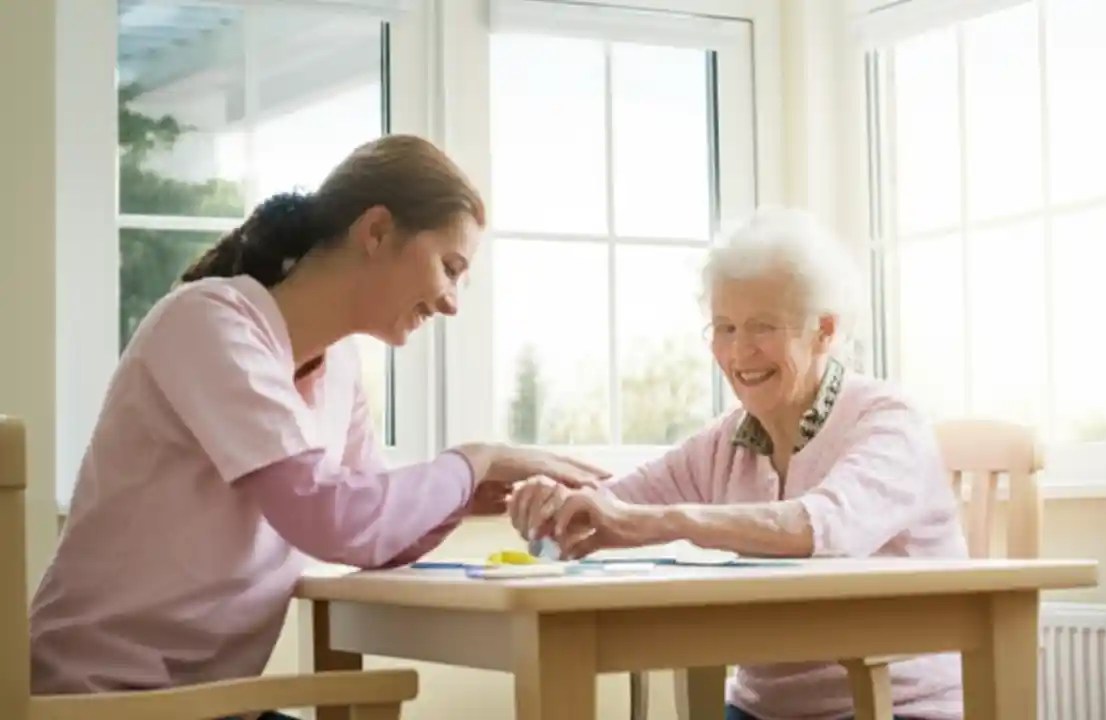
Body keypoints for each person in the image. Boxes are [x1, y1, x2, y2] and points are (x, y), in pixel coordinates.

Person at [29, 134, 603, 706]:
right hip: (100, 702)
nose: (453, 301)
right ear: (376, 231)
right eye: (449, 268)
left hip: (210, 706)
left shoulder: (340, 366)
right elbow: (331, 516)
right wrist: (473, 461)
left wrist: (460, 496)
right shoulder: (208, 323)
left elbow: (369, 535)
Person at [508, 208, 967, 720]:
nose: (739, 351)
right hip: (761, 711)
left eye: (762, 327)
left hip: (896, 706)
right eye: (724, 327)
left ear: (825, 330)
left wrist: (666, 522)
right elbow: (619, 502)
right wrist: (559, 503)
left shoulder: (888, 421)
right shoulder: (729, 439)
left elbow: (821, 526)